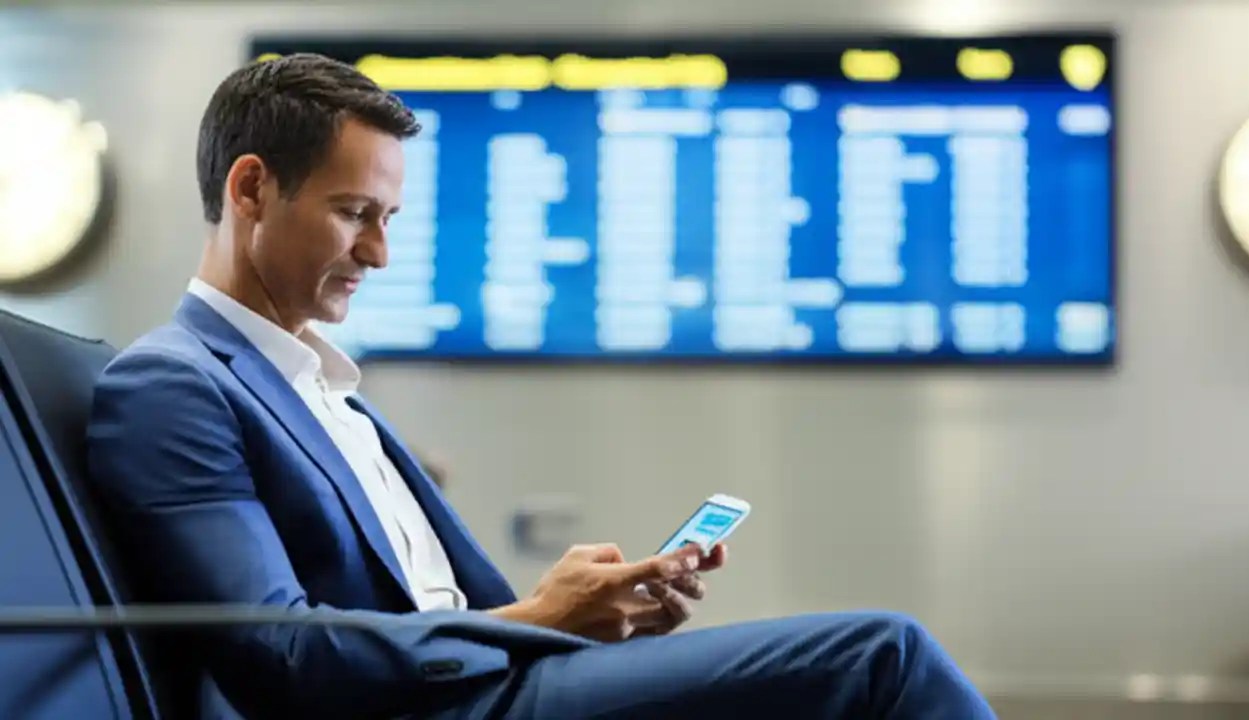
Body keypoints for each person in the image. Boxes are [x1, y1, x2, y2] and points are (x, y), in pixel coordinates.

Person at [85, 53, 996, 720]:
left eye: (388, 219)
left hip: (499, 683)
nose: (379, 253)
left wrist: (584, 618)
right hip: (450, 711)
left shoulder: (325, 388)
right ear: (251, 189)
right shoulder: (173, 385)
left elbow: (443, 618)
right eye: (354, 213)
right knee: (884, 657)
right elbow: (279, 657)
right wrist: (534, 618)